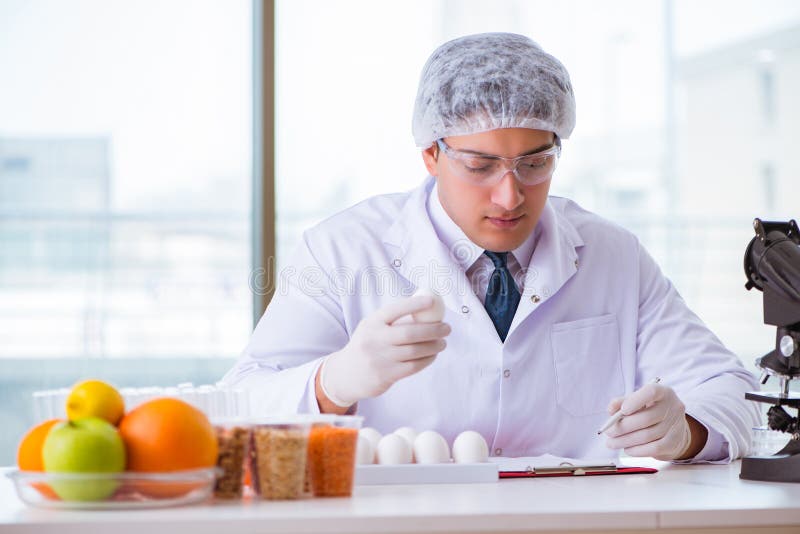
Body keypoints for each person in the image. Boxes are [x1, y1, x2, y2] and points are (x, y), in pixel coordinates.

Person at [223, 32, 759, 462]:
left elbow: (731, 388)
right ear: (431, 153)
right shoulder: (341, 251)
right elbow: (237, 404)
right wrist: (332, 382)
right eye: (480, 165)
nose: (510, 194)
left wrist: (685, 431)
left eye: (534, 163)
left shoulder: (612, 254)